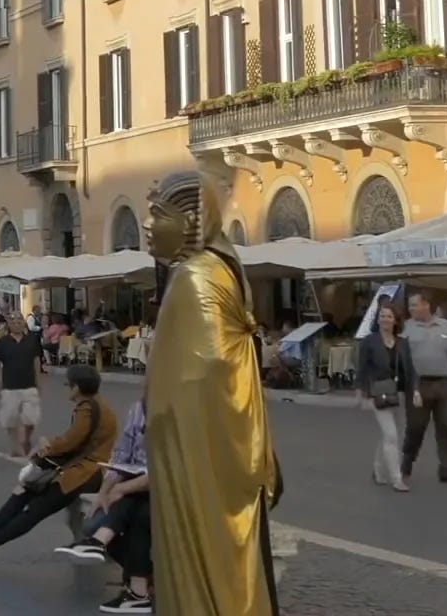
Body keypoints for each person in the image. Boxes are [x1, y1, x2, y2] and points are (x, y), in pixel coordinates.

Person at [143, 170, 281, 616]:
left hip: (195, 458)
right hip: (223, 448)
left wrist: (157, 420)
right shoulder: (219, 267)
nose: (147, 226)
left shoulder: (194, 279)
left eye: (156, 215)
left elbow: (189, 383)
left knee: (202, 543)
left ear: (188, 221)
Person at [0, 364, 118, 564]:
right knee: (24, 490)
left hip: (84, 473)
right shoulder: (98, 405)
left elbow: (73, 441)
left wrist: (48, 444)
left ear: (76, 387)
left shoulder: (88, 408)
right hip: (80, 469)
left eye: (68, 384)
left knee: (35, 509)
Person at [56, 391, 154, 614]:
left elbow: (164, 470)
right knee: (97, 521)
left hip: (167, 490)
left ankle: (101, 544)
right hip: (134, 487)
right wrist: (104, 492)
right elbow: (121, 456)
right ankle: (138, 589)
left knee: (140, 513)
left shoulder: (182, 412)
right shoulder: (139, 408)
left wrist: (120, 488)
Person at [399, 291, 447, 484]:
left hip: (446, 384)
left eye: (414, 305)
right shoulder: (406, 328)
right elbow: (401, 358)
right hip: (419, 386)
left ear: (426, 304)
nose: (411, 309)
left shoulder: (446, 326)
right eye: (409, 306)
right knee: (415, 428)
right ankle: (406, 464)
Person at [358, 301, 411, 492]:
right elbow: (362, 369)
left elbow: (410, 371)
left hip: (400, 393)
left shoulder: (403, 343)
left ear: (396, 320)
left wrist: (416, 392)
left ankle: (378, 469)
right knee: (391, 435)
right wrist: (362, 394)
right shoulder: (369, 341)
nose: (385, 319)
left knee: (393, 434)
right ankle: (396, 478)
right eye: (382, 316)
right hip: (378, 393)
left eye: (389, 316)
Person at [0, 312, 41, 456]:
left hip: (29, 384)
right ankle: (15, 446)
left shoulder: (32, 340)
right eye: (12, 321)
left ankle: (26, 438)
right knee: (10, 419)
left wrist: (38, 383)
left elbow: (36, 361)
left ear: (24, 323)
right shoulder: (3, 342)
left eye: (19, 320)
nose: (16, 323)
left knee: (31, 418)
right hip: (9, 385)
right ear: (8, 324)